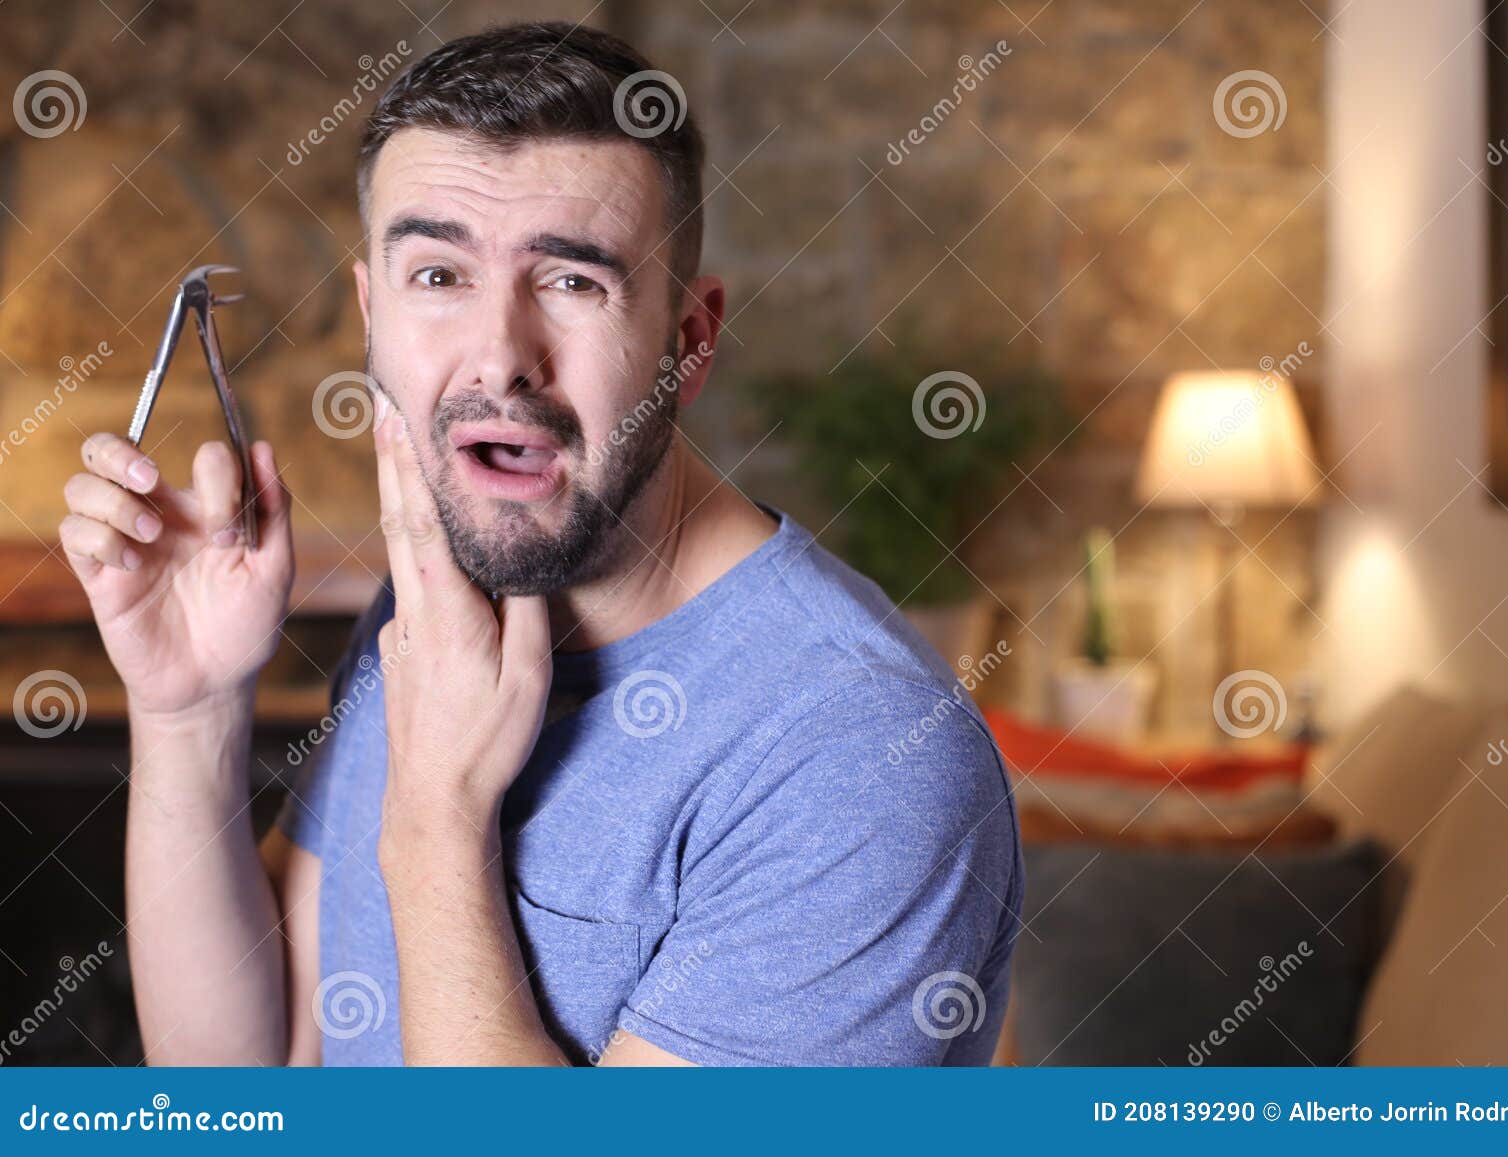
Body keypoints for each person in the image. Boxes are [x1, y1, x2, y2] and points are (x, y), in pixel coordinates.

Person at [58, 20, 1022, 1067]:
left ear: (688, 341)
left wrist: (437, 821)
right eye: (439, 276)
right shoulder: (435, 602)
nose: (499, 358)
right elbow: (245, 1079)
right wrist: (189, 709)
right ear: (371, 313)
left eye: (571, 281)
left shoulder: (858, 757)